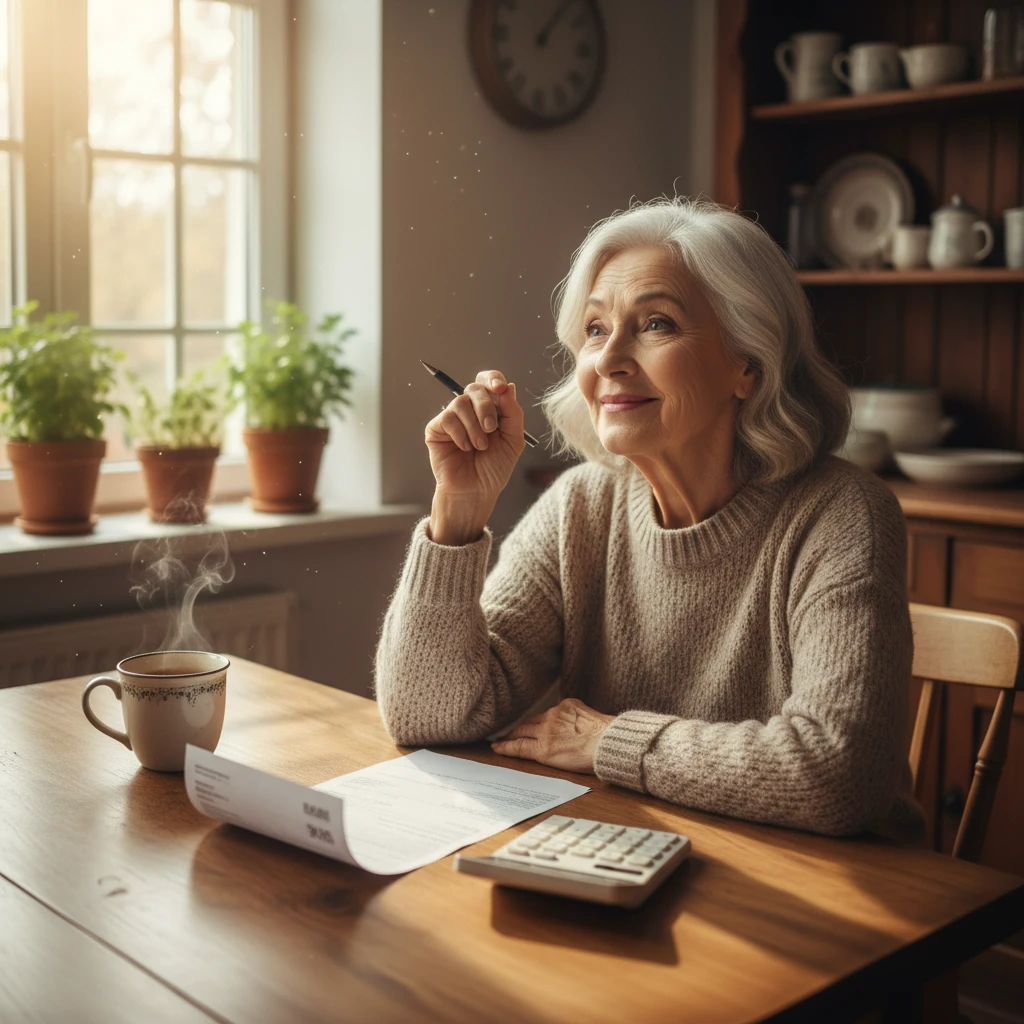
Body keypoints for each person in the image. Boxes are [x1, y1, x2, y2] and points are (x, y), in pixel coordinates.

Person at [374, 197, 924, 841]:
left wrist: (609, 740)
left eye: (656, 324)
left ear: (748, 363)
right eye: (596, 330)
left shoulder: (842, 515)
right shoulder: (581, 507)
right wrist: (457, 515)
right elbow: (425, 715)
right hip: (641, 850)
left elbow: (838, 775)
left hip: (835, 893)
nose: (608, 361)